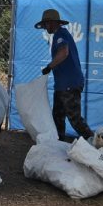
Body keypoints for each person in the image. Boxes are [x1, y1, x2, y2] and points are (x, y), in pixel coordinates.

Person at [36, 9, 93, 141]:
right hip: (63, 85)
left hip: (69, 84)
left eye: (45, 25)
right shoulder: (61, 34)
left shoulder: (60, 34)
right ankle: (59, 145)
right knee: (57, 116)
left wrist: (49, 66)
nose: (44, 28)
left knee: (75, 119)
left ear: (52, 23)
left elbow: (64, 52)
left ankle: (97, 144)